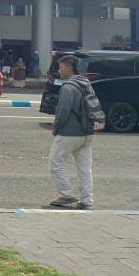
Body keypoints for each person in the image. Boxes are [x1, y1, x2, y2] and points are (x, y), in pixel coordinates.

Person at [48, 55, 100, 209]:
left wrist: (56, 127)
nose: (59, 70)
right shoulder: (87, 84)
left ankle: (65, 195)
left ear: (69, 68)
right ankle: (87, 201)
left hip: (69, 133)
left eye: (61, 67)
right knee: (84, 168)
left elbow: (63, 110)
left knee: (55, 162)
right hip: (88, 132)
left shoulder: (67, 87)